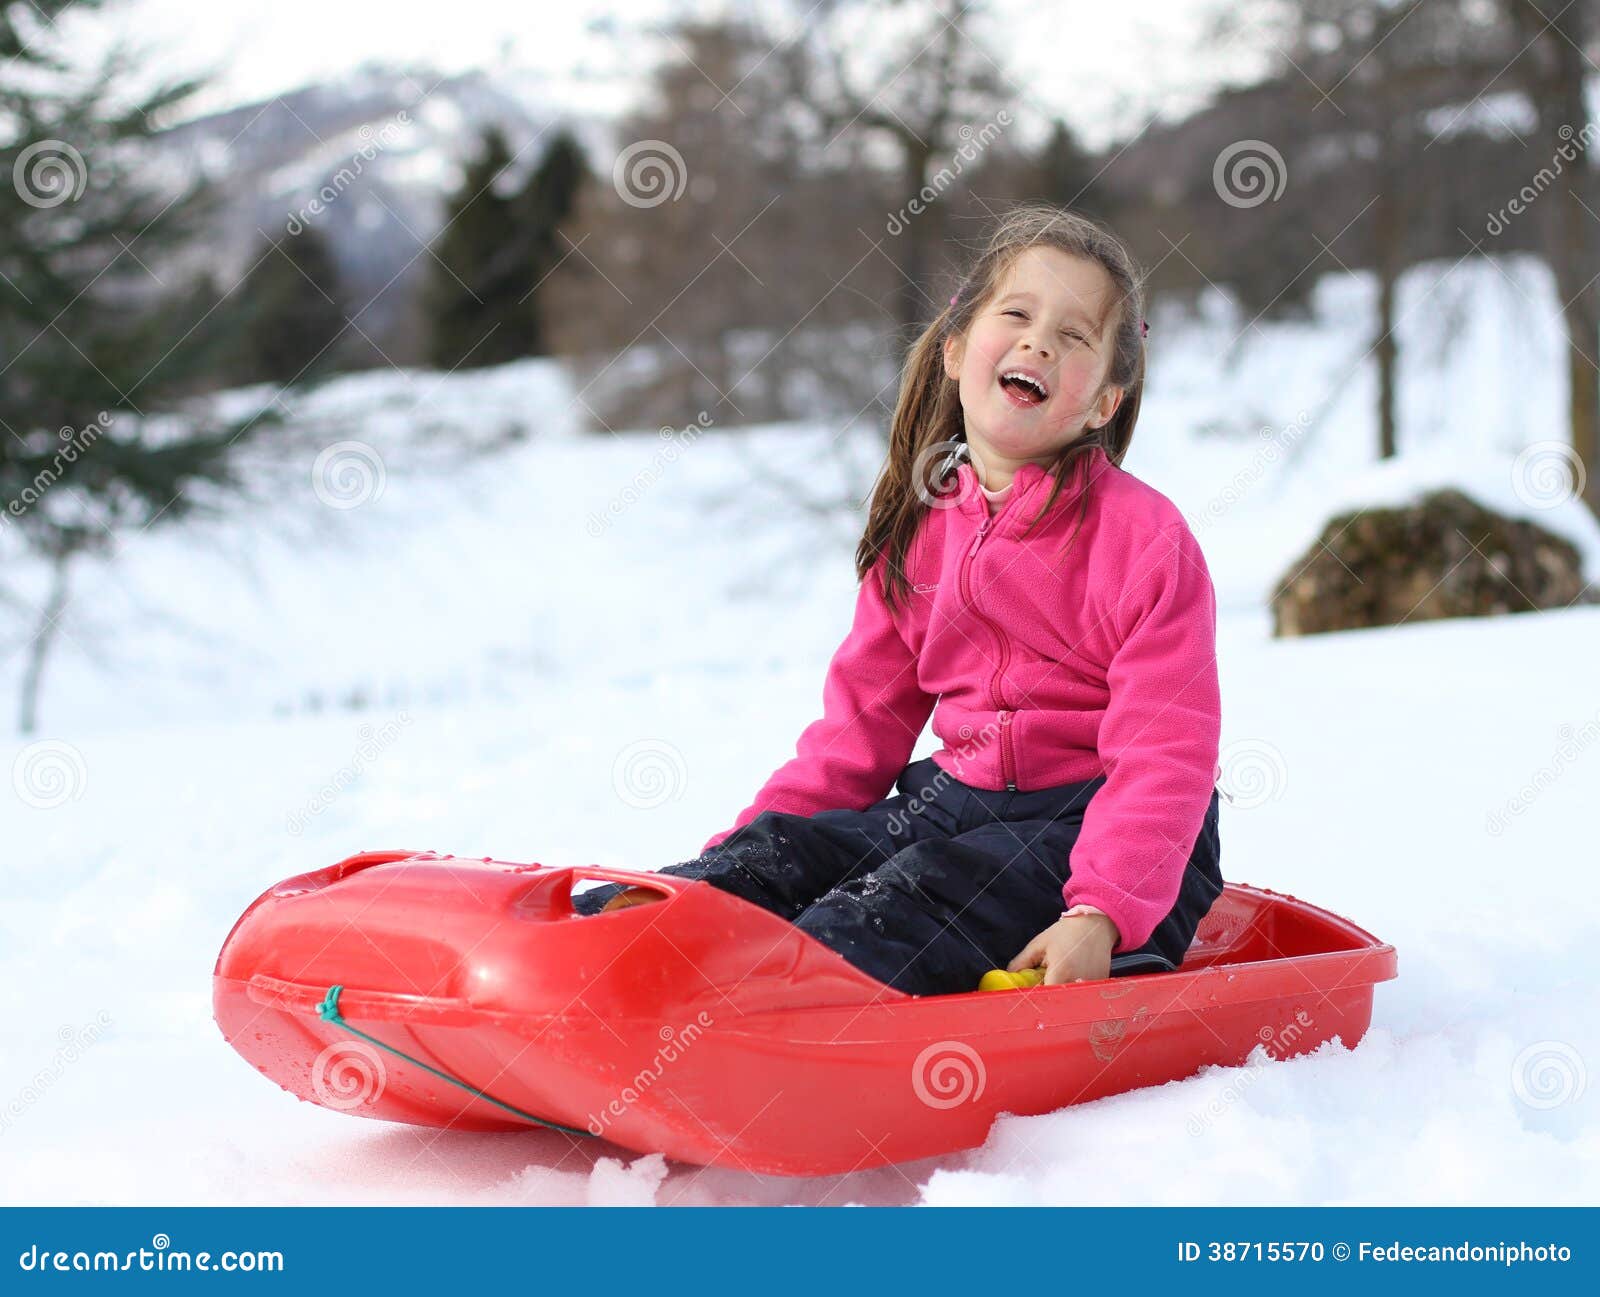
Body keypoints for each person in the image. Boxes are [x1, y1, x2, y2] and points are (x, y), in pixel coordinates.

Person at [575, 203, 1224, 997]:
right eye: (1016, 313)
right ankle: (596, 963)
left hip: (1106, 838)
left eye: (1076, 334)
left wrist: (1102, 911)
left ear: (1104, 402)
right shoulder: (917, 531)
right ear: (956, 348)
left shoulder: (1144, 539)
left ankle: (775, 1011)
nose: (1038, 340)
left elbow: (1167, 755)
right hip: (958, 812)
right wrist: (740, 868)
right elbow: (855, 738)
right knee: (772, 866)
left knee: (884, 912)